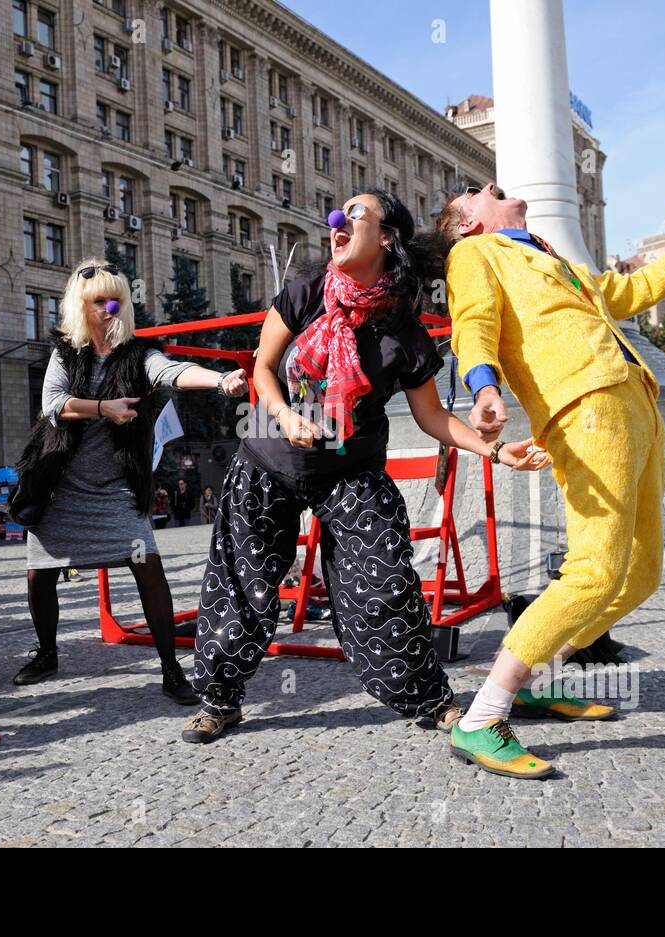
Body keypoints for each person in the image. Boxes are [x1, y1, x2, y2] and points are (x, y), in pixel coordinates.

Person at [181, 189, 548, 745]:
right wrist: (281, 413)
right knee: (241, 583)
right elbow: (263, 366)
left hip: (351, 469)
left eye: (355, 214)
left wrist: (495, 450)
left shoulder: (404, 332)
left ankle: (429, 699)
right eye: (338, 213)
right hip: (268, 456)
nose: (337, 221)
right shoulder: (305, 291)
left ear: (387, 237)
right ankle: (219, 700)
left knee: (384, 581)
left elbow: (431, 417)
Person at [435, 179, 665, 778]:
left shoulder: (550, 258)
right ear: (466, 224)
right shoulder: (474, 254)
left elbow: (633, 289)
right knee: (595, 569)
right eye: (477, 194)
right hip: (583, 405)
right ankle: (483, 716)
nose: (489, 186)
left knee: (640, 573)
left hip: (635, 404)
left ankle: (537, 682)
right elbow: (474, 324)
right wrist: (484, 388)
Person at [12, 258, 247, 702]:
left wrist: (219, 381)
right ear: (80, 306)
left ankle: (171, 669)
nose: (108, 308)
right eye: (98, 301)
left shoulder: (139, 356)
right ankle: (46, 653)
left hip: (117, 485)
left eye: (115, 300)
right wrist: (105, 408)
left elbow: (173, 371)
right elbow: (52, 405)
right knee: (39, 574)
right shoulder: (64, 352)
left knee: (149, 567)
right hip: (60, 483)